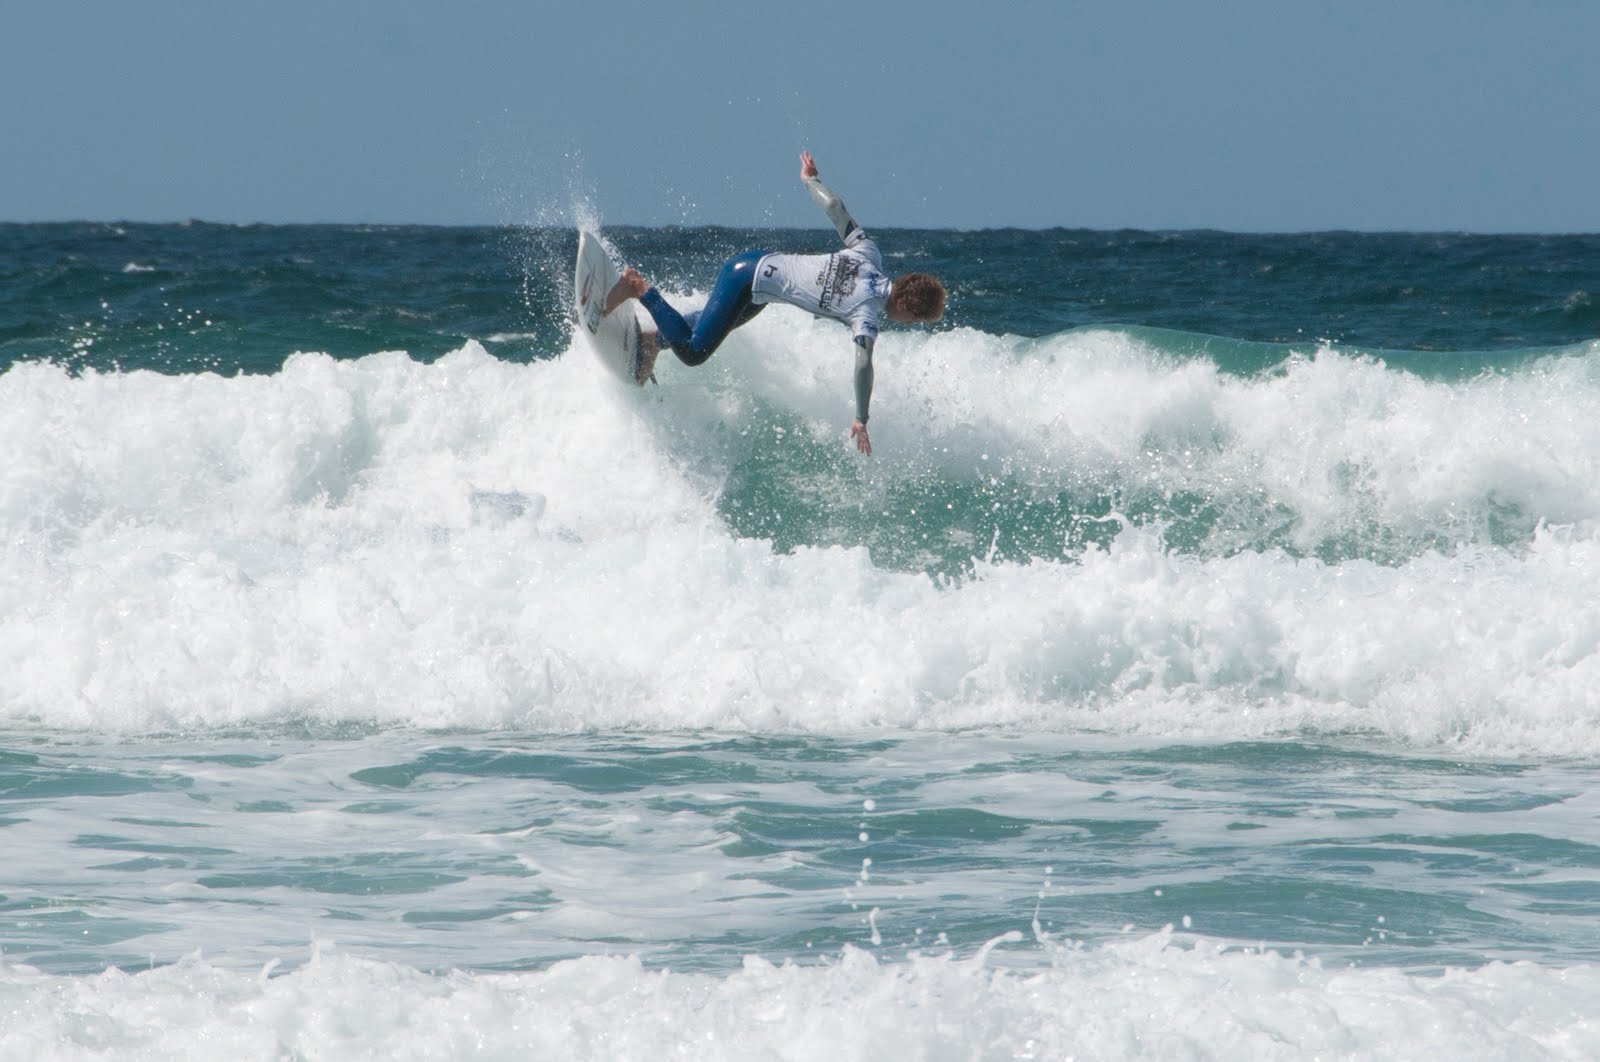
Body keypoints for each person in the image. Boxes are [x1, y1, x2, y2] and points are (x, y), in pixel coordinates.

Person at [604, 151, 946, 455]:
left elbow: (835, 208)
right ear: (907, 305)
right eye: (915, 319)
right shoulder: (866, 315)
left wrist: (810, 181)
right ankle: (638, 288)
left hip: (759, 270)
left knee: (720, 323)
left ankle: (653, 341)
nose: (910, 324)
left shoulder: (869, 253)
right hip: (746, 280)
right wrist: (861, 418)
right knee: (694, 352)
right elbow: (863, 365)